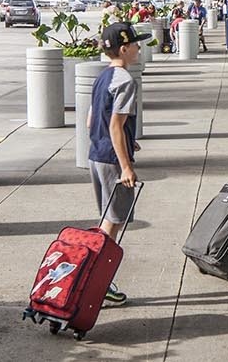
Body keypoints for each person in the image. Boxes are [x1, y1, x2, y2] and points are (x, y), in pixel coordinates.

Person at [88, 20, 142, 307]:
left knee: (106, 218)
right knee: (113, 222)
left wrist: (128, 140)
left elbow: (92, 121)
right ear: (124, 48)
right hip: (112, 160)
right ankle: (98, 282)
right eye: (135, 44)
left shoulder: (102, 77)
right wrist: (126, 166)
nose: (139, 48)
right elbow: (115, 126)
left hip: (96, 155)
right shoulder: (125, 81)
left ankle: (94, 278)